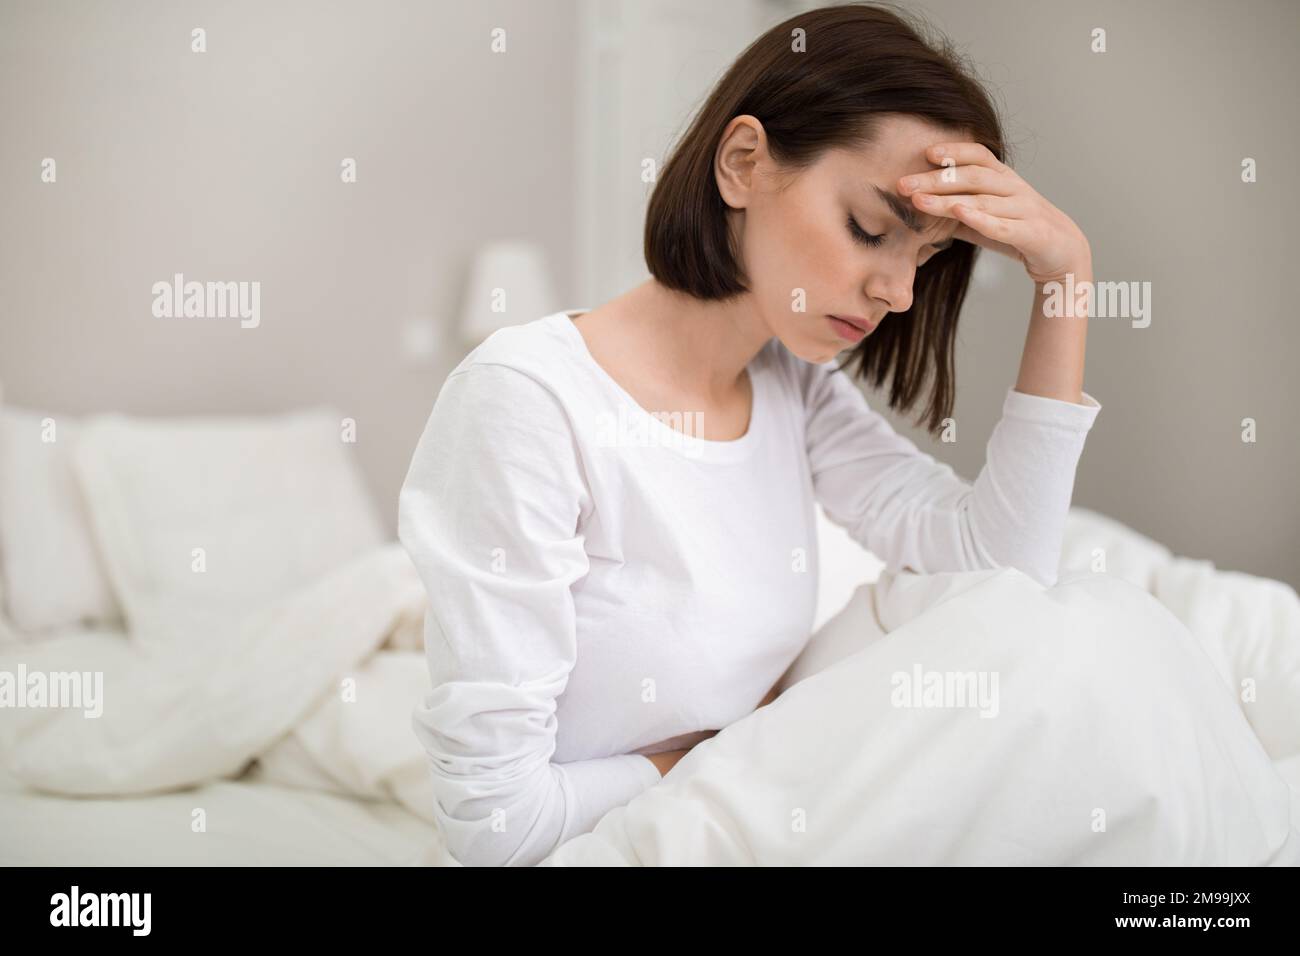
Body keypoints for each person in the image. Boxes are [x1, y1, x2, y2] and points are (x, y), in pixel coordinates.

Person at [398, 1, 1099, 867]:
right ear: (743, 163)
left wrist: (1066, 278)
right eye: (871, 230)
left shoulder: (791, 390)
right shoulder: (526, 402)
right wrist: (719, 756)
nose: (899, 293)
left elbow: (1007, 576)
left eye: (923, 257)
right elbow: (496, 830)